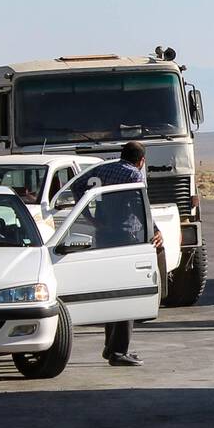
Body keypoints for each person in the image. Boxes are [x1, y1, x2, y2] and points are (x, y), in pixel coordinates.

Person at [68, 141, 162, 367]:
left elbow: (76, 186)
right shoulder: (134, 175)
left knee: (112, 293)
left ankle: (111, 347)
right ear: (141, 160)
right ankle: (119, 351)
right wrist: (156, 230)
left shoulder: (102, 168)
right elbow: (139, 208)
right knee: (127, 294)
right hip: (126, 238)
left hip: (104, 236)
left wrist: (90, 218)